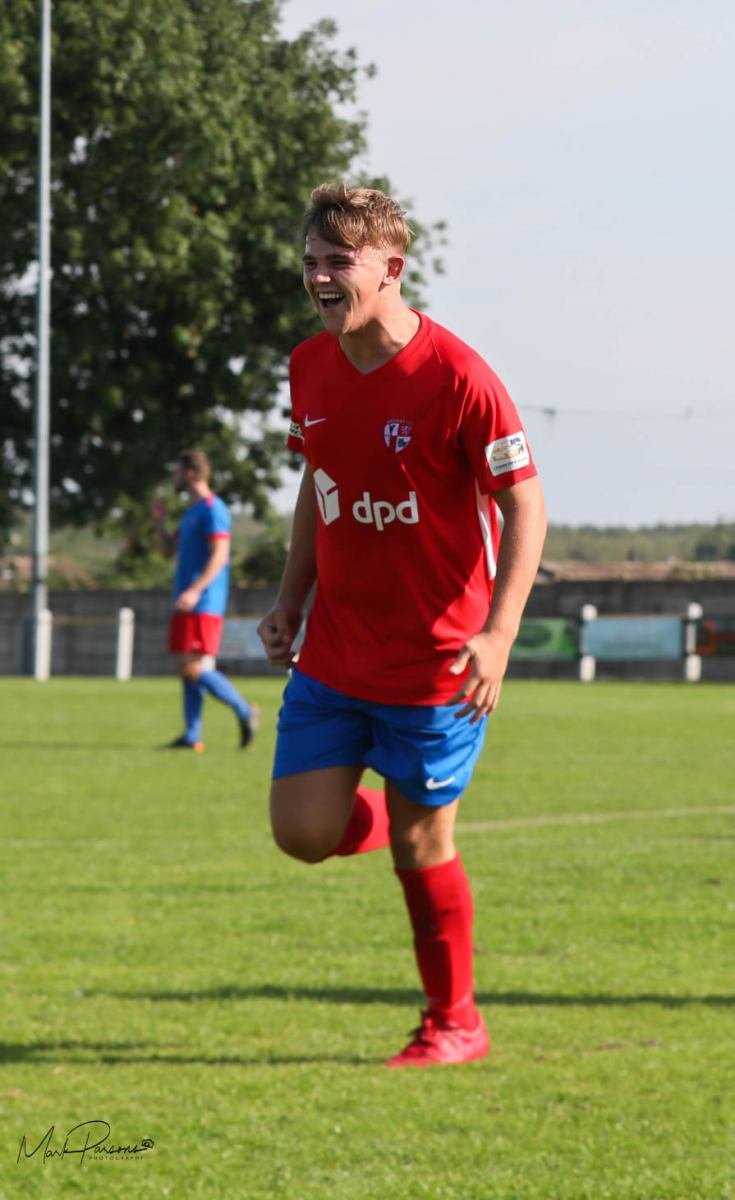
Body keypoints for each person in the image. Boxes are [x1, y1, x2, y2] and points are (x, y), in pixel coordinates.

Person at [257, 183, 547, 1068]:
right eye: (309, 262)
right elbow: (319, 484)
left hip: (436, 659)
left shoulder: (460, 378)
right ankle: (384, 810)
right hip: (338, 649)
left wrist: (497, 637)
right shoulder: (309, 367)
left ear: (392, 268)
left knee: (426, 845)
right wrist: (289, 597)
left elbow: (525, 508)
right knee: (302, 834)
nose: (318, 278)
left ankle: (454, 1021)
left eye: (336, 262)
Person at [152, 449, 259, 752]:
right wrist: (159, 523)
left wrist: (197, 590)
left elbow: (221, 554)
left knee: (195, 668)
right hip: (187, 600)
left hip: (204, 600)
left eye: (176, 470)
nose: (173, 476)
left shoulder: (214, 509)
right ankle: (192, 735)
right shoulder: (191, 513)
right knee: (186, 668)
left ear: (189, 472)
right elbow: (167, 552)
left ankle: (244, 710)